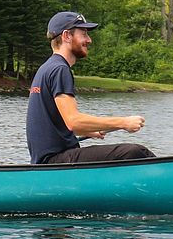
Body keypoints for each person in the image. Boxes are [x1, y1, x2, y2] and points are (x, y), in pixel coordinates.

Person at [26, 11, 156, 164]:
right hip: (56, 161)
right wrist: (123, 122)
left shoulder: (46, 68)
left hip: (48, 160)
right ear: (67, 36)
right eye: (84, 34)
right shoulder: (60, 70)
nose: (89, 40)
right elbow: (73, 121)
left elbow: (62, 123)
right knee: (136, 152)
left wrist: (89, 131)